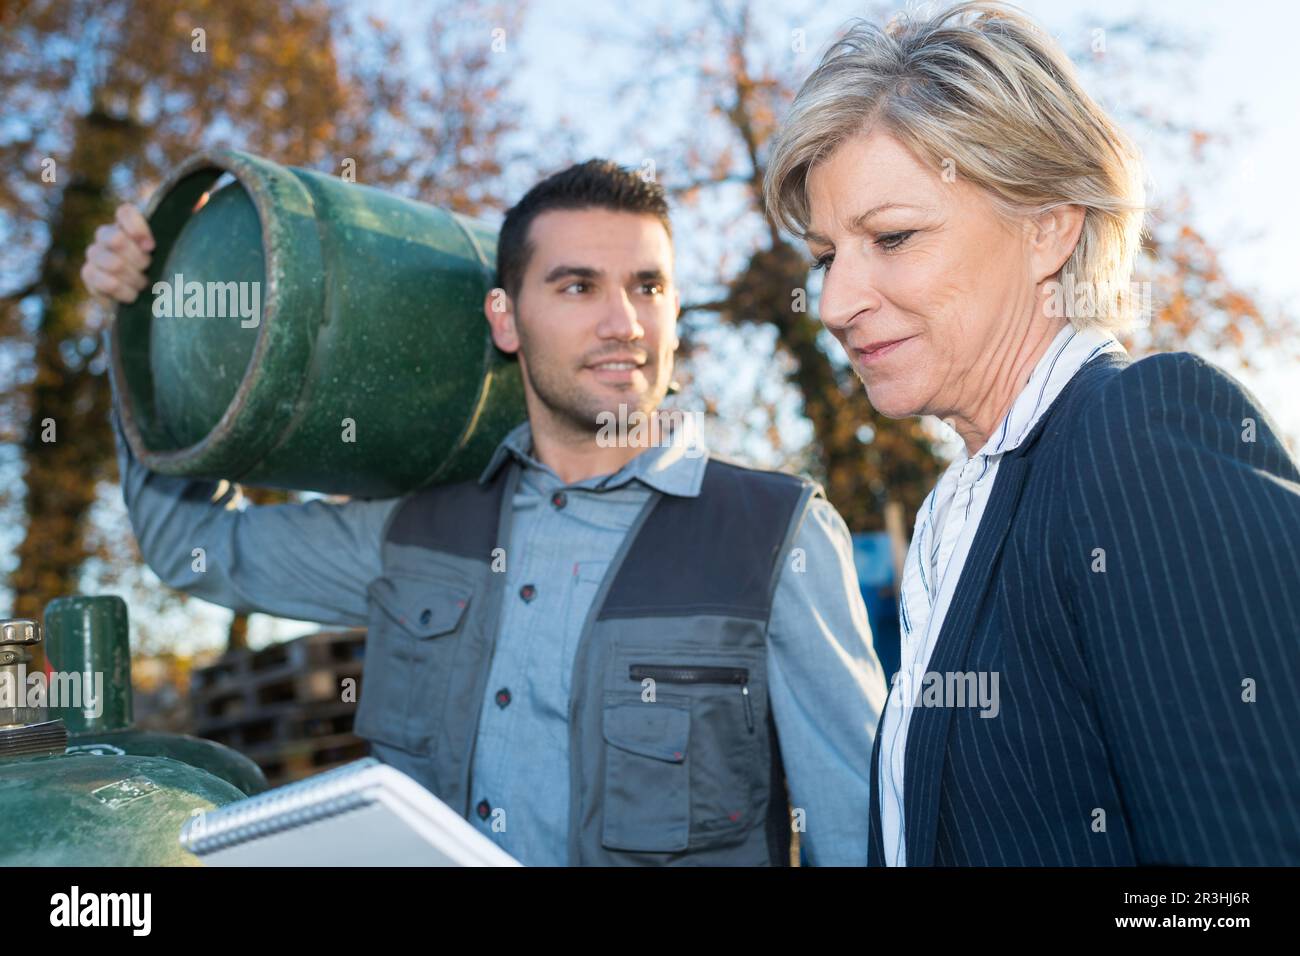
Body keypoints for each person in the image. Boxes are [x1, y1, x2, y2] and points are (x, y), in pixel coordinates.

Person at [83, 159, 888, 866]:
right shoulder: (417, 530)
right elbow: (191, 544)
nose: (624, 323)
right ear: (506, 318)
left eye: (649, 287)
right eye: (578, 286)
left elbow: (863, 834)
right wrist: (147, 323)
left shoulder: (774, 533)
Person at [763, 1, 1300, 865]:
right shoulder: (954, 511)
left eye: (892, 237)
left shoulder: (1138, 438)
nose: (833, 303)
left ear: (1048, 223)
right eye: (828, 255)